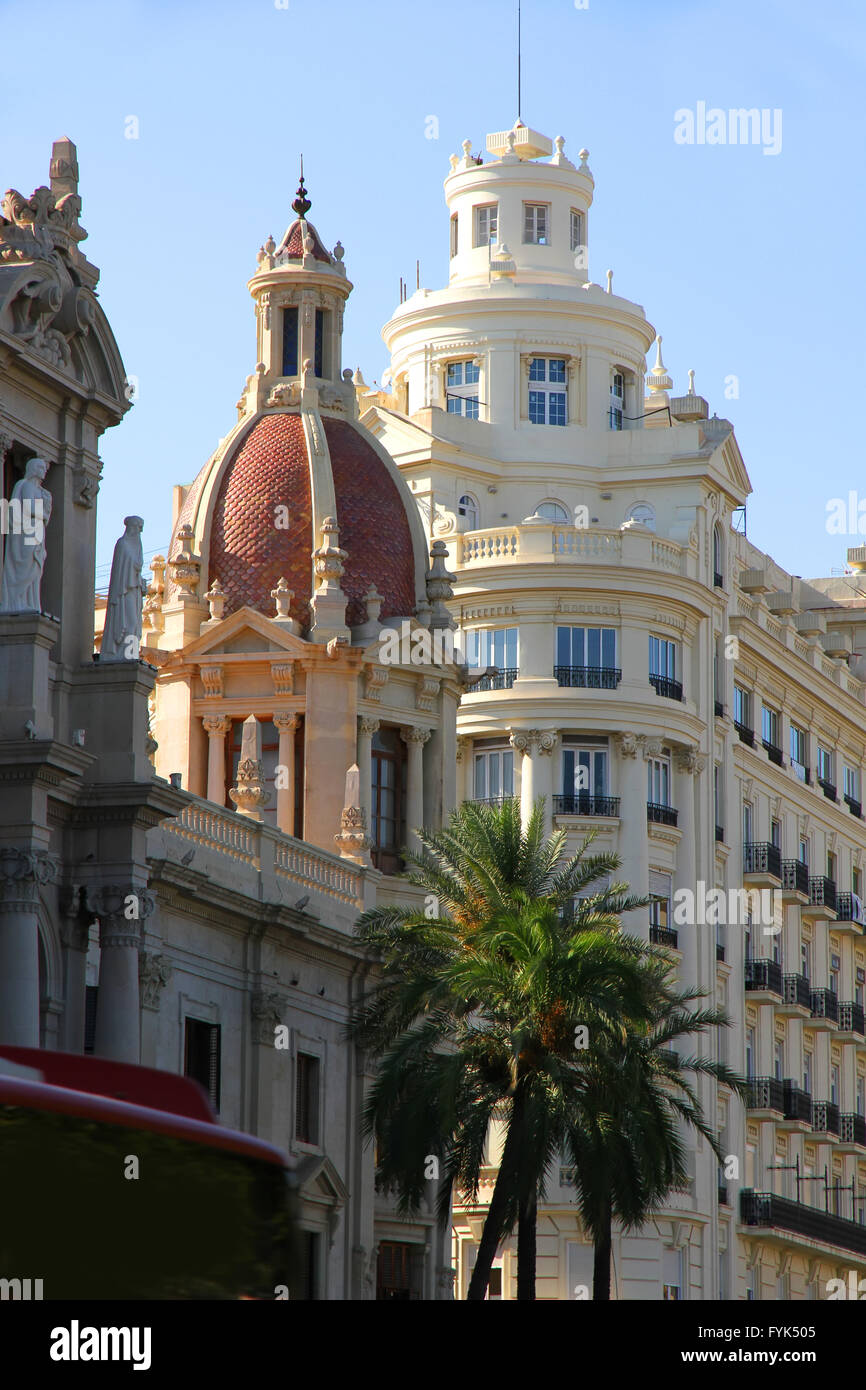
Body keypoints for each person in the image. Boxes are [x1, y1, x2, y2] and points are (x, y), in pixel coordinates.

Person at [0, 457, 52, 614]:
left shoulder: (41, 491)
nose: (44, 471)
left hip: (36, 533)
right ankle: (15, 601)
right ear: (34, 469)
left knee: (36, 568)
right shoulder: (26, 486)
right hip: (25, 533)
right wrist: (43, 513)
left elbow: (44, 517)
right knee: (24, 565)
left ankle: (29, 601)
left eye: (45, 468)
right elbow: (29, 508)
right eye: (41, 468)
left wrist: (46, 505)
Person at [101, 516, 146, 660]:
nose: (139, 533)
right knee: (129, 622)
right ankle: (125, 655)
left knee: (135, 625)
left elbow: (134, 570)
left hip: (134, 592)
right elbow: (120, 574)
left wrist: (139, 583)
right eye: (138, 528)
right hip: (123, 593)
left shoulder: (136, 547)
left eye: (141, 530)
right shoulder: (122, 545)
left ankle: (131, 654)